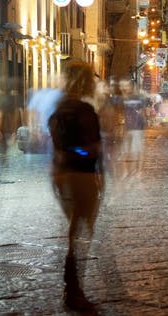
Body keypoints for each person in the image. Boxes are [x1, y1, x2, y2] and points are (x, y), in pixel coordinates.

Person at [48, 60, 103, 311]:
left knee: (75, 230)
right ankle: (73, 289)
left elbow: (57, 145)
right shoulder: (84, 111)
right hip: (81, 175)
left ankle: (72, 287)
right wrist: (87, 152)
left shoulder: (59, 109)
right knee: (80, 233)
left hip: (61, 175)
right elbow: (91, 148)